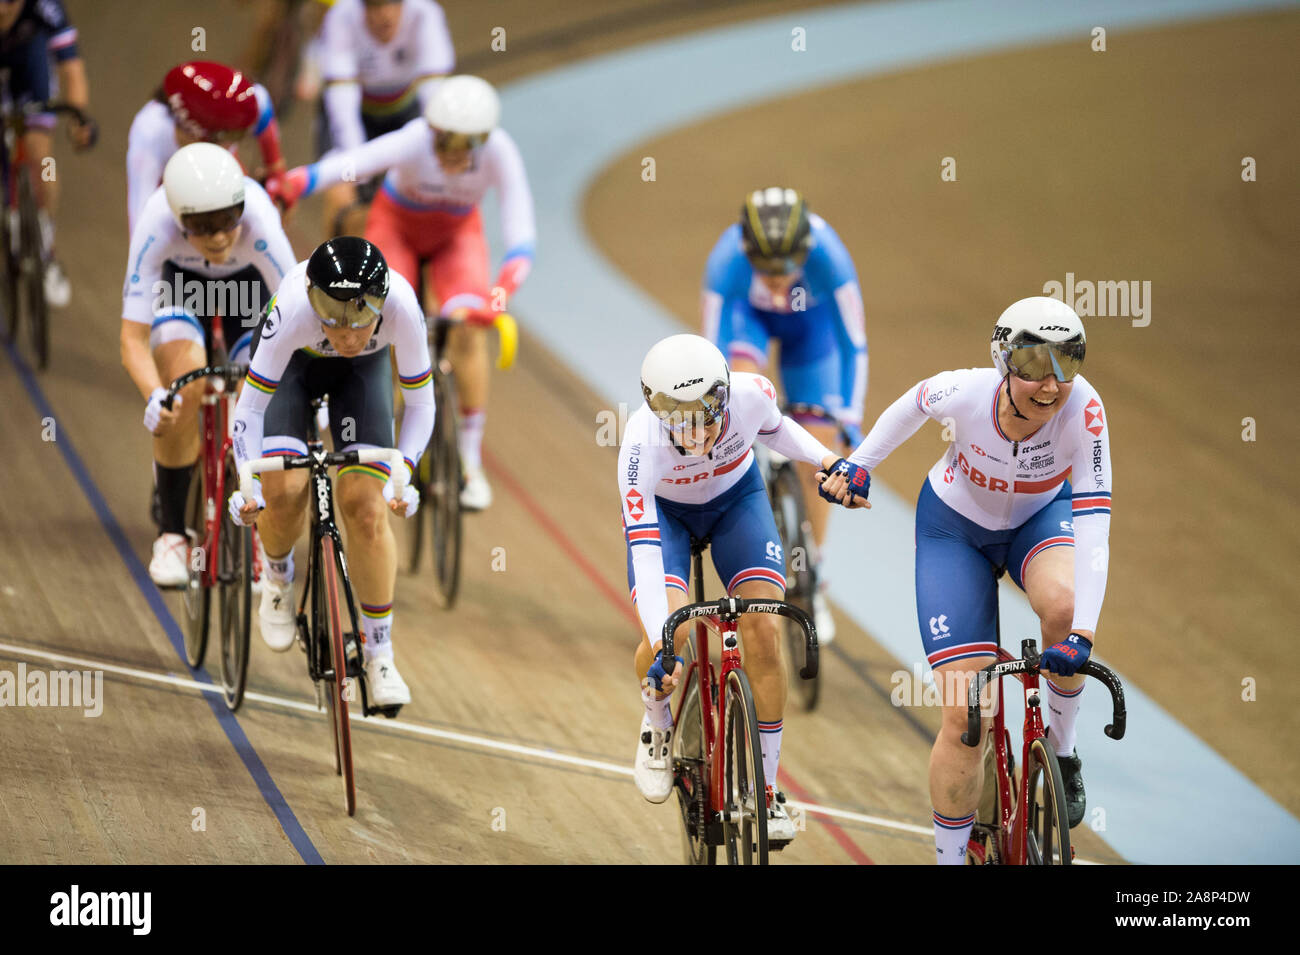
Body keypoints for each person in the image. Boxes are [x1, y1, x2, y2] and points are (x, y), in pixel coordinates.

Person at [820, 297, 1111, 864]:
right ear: (1004, 361)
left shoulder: (1086, 410)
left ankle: (1065, 749)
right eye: (1034, 365)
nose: (1051, 384)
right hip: (954, 530)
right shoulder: (967, 392)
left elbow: (1095, 524)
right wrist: (861, 463)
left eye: (1066, 364)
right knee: (964, 714)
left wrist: (1084, 634)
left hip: (1039, 522)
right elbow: (913, 404)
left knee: (1064, 607)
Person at [274, 74, 535, 511]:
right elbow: (353, 163)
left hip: (457, 237)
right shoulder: (416, 138)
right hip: (396, 227)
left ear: (481, 143)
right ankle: (390, 416)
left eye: (458, 149)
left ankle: (470, 460)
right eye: (441, 144)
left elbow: (521, 235)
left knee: (470, 328)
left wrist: (498, 296)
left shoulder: (500, 152)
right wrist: (298, 182)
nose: (447, 155)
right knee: (386, 318)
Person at [621, 334, 843, 844]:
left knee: (764, 626)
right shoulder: (637, 445)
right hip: (665, 518)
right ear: (659, 412)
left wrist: (828, 461)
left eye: (709, 414)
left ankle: (766, 789)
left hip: (734, 501)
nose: (699, 432)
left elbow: (780, 431)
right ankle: (656, 724)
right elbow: (646, 553)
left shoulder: (750, 394)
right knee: (667, 638)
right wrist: (659, 640)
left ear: (724, 393)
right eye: (683, 420)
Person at [227, 237, 434, 710]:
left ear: (380, 303)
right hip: (293, 373)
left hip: (360, 377)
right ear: (311, 296)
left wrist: (404, 469)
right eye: (331, 315)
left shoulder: (402, 305)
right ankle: (277, 577)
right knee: (285, 490)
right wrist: (248, 479)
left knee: (366, 508)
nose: (344, 333)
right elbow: (251, 409)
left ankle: (380, 650)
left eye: (358, 319)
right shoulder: (292, 308)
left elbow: (422, 403)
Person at [120, 143, 295, 587]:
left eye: (226, 221)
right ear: (179, 219)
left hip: (248, 288)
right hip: (180, 286)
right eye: (201, 226)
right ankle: (173, 534)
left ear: (241, 208)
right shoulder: (155, 223)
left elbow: (298, 318)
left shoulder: (260, 221)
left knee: (257, 391)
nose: (218, 237)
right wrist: (154, 395)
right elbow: (132, 338)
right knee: (185, 384)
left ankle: (256, 525)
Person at [703, 187, 867, 644]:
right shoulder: (726, 259)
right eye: (765, 268)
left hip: (809, 332)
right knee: (736, 396)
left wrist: (848, 417)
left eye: (786, 267)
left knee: (818, 433)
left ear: (806, 251)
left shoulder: (830, 255)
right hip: (745, 323)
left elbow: (853, 342)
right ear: (746, 251)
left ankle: (815, 567)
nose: (776, 279)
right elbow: (711, 348)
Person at [315, 0, 454, 237]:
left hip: (404, 112)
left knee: (432, 183)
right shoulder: (341, 16)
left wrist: (433, 156)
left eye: (393, 4)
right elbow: (343, 108)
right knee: (341, 191)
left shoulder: (426, 14)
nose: (385, 16)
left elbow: (435, 98)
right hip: (356, 110)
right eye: (375, 6)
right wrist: (358, 169)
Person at [0, 0, 97, 307]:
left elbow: (72, 69)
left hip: (30, 73)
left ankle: (47, 247)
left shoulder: (47, 7)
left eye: (11, 2)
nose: (3, 10)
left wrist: (79, 118)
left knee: (44, 160)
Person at [126, 61, 286, 234]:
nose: (236, 143)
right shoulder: (150, 138)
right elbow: (141, 225)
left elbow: (262, 103)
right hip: (175, 175)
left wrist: (276, 170)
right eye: (232, 136)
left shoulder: (250, 100)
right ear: (196, 132)